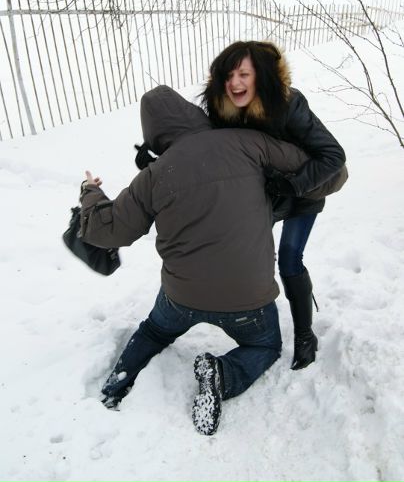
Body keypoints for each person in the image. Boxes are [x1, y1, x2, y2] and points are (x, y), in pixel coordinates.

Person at [79, 85, 332, 436]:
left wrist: (90, 192)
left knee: (154, 330)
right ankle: (222, 375)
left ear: (153, 134)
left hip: (181, 297)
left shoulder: (154, 174)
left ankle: (116, 384)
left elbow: (105, 231)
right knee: (265, 345)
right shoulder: (249, 143)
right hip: (249, 300)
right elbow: (326, 171)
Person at [200, 40, 347, 372]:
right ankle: (255, 331)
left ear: (261, 76)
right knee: (248, 257)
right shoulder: (223, 110)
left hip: (303, 191)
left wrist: (293, 184)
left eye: (244, 74)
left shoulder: (289, 104)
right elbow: (200, 146)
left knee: (290, 259)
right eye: (228, 75)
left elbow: (333, 156)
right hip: (263, 196)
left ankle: (305, 336)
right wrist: (159, 155)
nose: (235, 83)